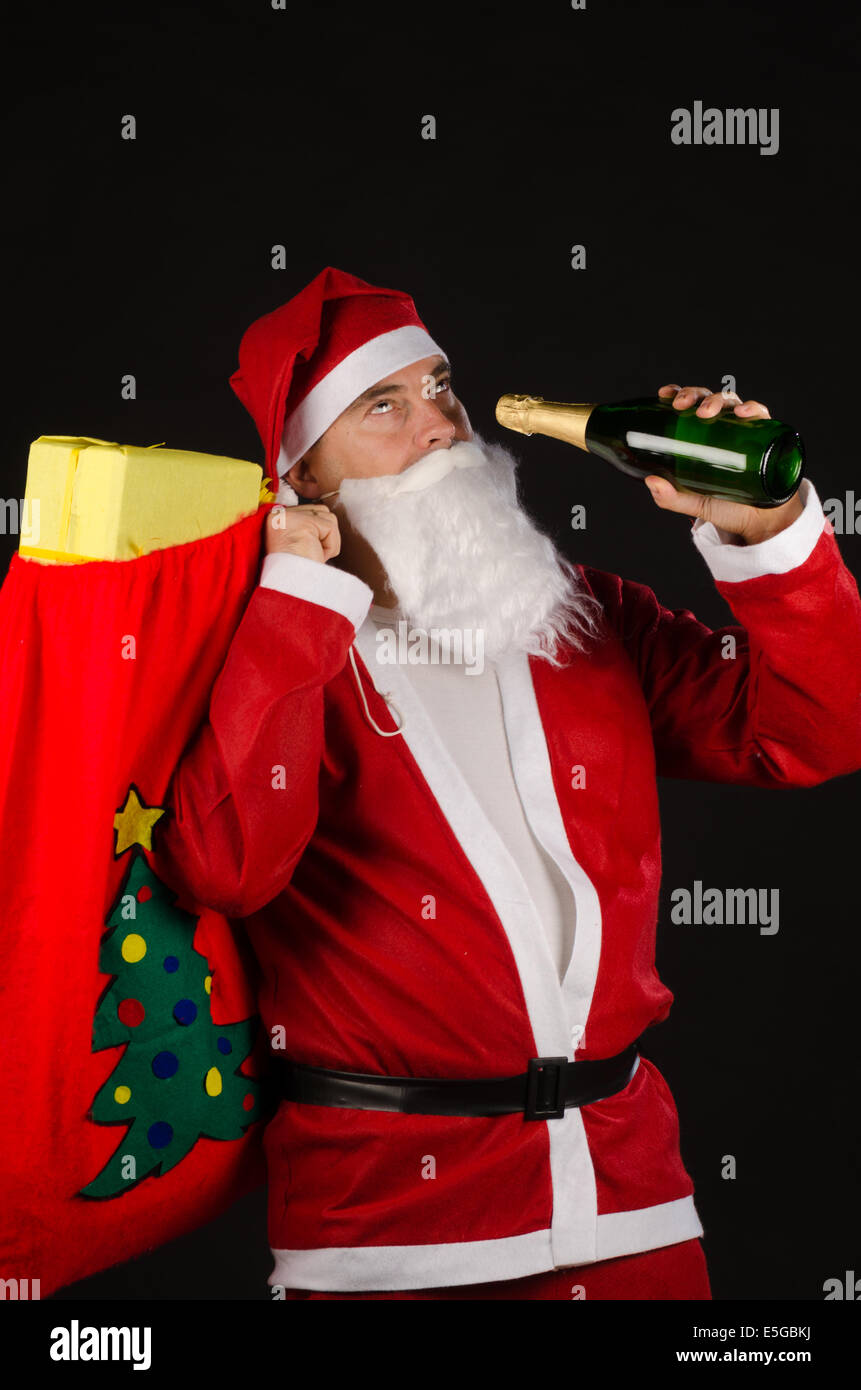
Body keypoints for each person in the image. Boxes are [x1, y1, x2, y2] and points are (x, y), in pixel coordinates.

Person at [152, 266, 861, 1300]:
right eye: (382, 406)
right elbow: (225, 868)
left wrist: (768, 531)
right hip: (388, 1239)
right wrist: (295, 608)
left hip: (633, 1209)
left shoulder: (582, 616)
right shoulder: (271, 653)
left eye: (440, 387)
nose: (438, 426)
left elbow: (812, 733)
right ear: (300, 474)